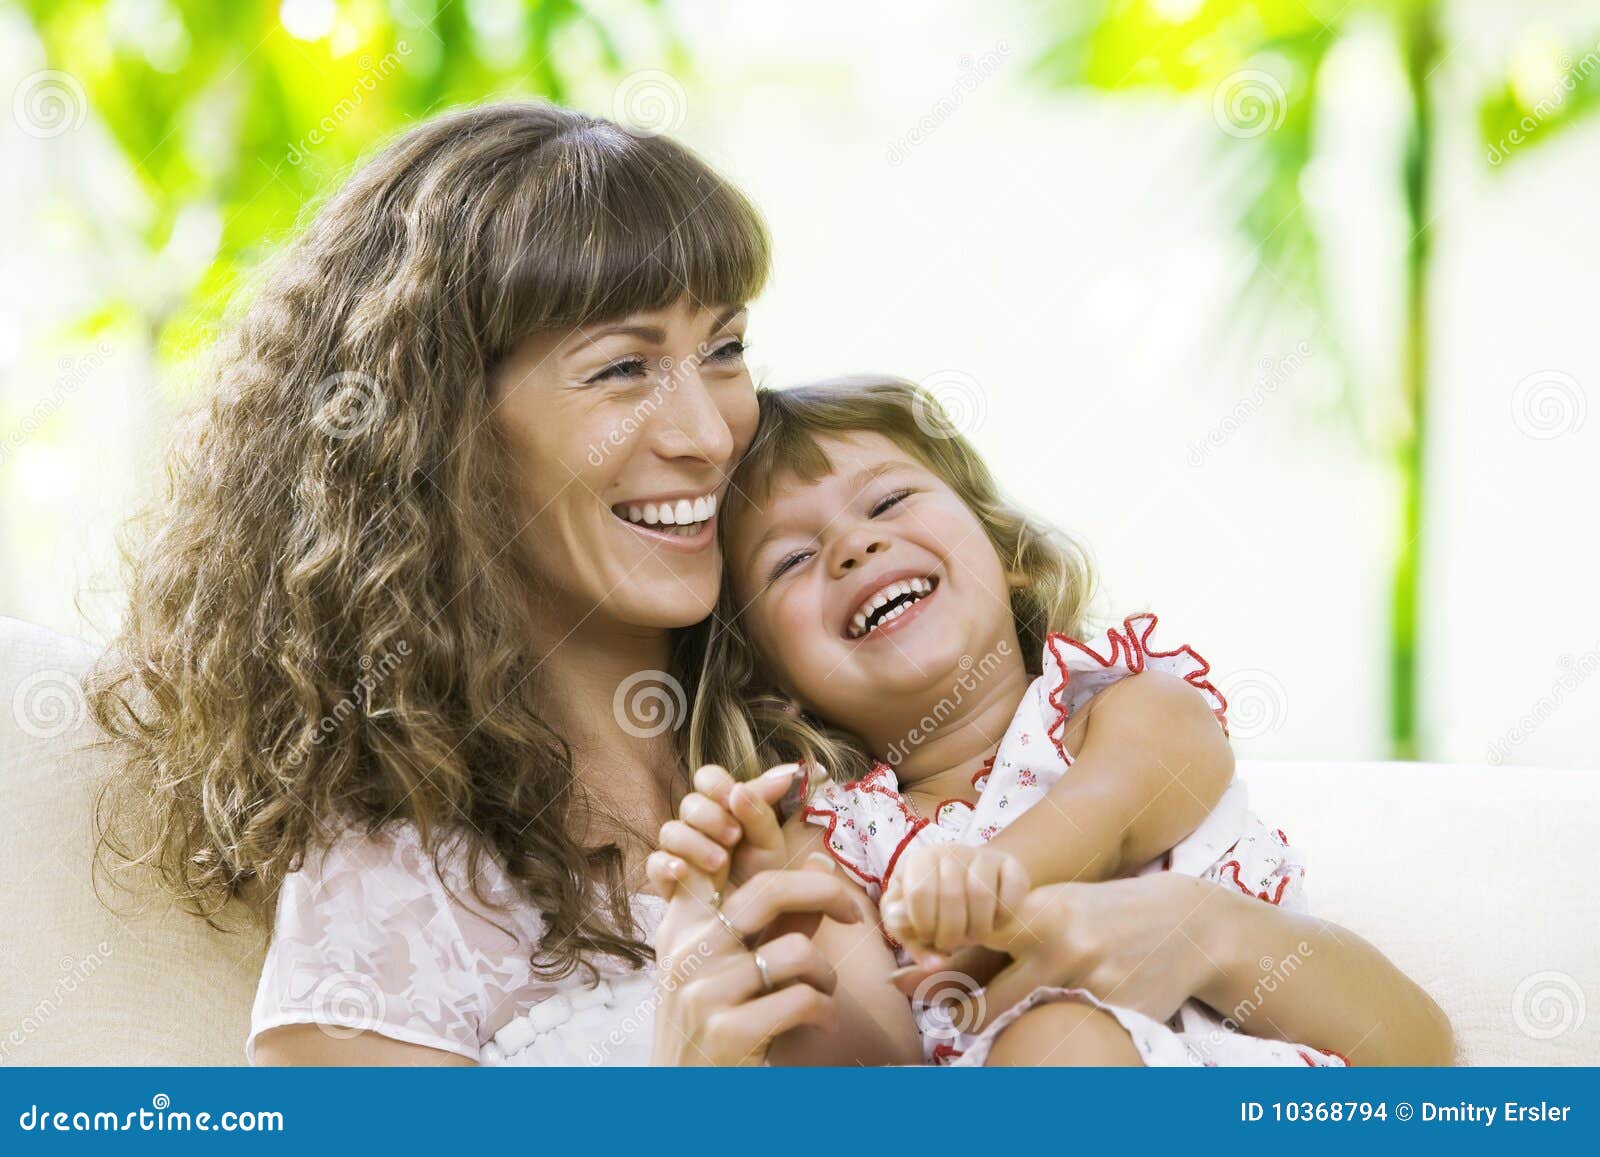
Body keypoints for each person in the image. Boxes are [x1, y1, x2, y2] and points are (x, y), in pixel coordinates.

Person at [85, 101, 855, 1066]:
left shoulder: (844, 692)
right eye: (622, 367)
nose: (706, 434)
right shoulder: (397, 898)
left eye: (726, 349)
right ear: (443, 429)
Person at [651, 376, 1455, 1066]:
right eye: (791, 559)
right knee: (1054, 1042)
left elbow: (1107, 816)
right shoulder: (835, 843)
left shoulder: (1119, 705)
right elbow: (875, 1086)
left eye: (889, 500)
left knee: (1056, 1039)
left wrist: (980, 887)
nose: (855, 546)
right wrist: (789, 946)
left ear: (1010, 554)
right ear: (769, 683)